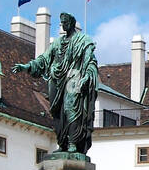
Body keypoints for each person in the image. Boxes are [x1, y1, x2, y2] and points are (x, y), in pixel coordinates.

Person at [12, 12, 99, 155]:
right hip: (57, 82)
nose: (63, 26)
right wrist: (27, 66)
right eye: (61, 23)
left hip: (74, 78)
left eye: (65, 23)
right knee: (58, 114)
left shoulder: (84, 41)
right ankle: (63, 142)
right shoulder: (58, 43)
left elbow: (90, 62)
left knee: (71, 110)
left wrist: (87, 77)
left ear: (71, 23)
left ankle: (72, 143)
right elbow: (44, 59)